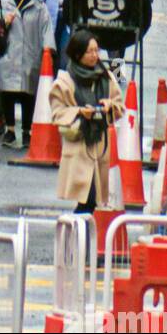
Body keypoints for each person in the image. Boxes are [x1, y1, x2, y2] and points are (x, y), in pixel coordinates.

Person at [49, 28, 123, 213]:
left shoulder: (106, 77)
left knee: (92, 201)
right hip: (78, 146)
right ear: (77, 53)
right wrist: (80, 112)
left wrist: (109, 105)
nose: (94, 55)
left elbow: (119, 105)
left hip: (99, 145)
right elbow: (58, 112)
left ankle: (78, 236)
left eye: (96, 50)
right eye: (89, 51)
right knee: (87, 199)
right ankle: (76, 236)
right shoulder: (65, 81)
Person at [0, 0, 55, 147]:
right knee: (7, 92)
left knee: (28, 95)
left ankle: (26, 130)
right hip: (8, 57)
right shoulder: (4, 5)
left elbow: (47, 31)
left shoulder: (40, 8)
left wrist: (47, 51)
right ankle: (10, 129)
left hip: (30, 57)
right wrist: (3, 24)